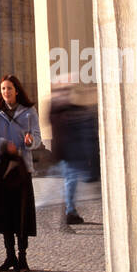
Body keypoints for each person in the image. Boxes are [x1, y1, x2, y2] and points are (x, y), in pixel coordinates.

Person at [0, 74, 41, 272]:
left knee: (22, 213)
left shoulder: (29, 112)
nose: (6, 92)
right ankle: (10, 256)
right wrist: (3, 144)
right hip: (1, 167)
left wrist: (30, 141)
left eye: (9, 88)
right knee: (5, 213)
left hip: (22, 167)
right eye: (3, 89)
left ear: (17, 90)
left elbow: (38, 137)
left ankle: (22, 258)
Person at [50, 75, 94, 225]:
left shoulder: (63, 108)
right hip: (68, 151)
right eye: (64, 90)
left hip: (69, 151)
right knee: (71, 180)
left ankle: (69, 208)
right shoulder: (58, 108)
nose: (66, 93)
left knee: (70, 180)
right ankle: (69, 210)